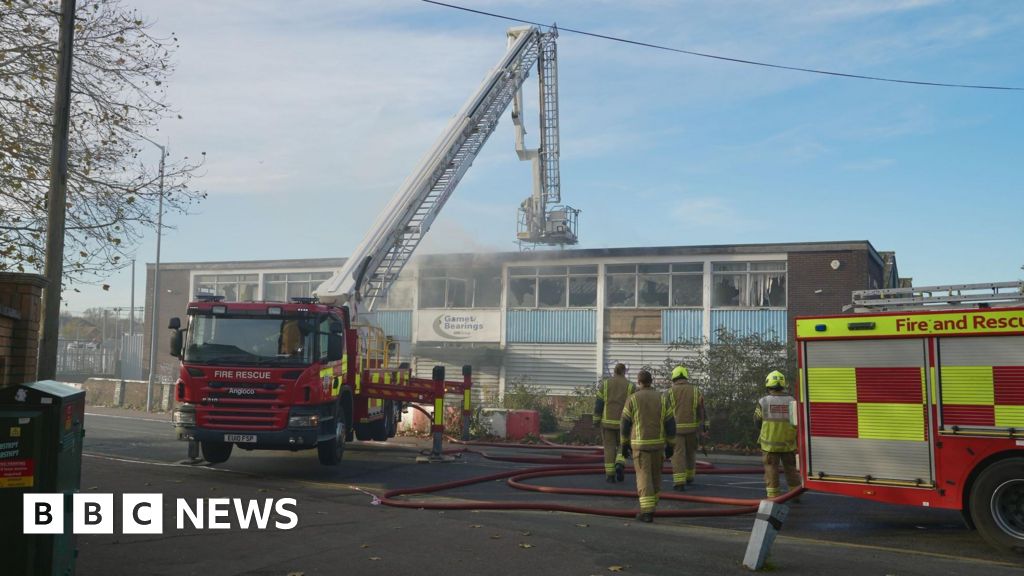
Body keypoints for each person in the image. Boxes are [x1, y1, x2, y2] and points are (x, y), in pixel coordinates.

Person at [620, 369, 676, 523]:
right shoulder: (662, 398)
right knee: (656, 476)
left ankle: (647, 512)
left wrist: (624, 444)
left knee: (644, 477)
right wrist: (671, 444)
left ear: (639, 382)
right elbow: (671, 424)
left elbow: (625, 424)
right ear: (651, 381)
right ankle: (653, 505)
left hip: (640, 445)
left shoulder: (632, 399)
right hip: (658, 445)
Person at [754, 370, 800, 498]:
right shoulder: (792, 400)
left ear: (768, 384)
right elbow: (797, 421)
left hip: (769, 445)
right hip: (788, 444)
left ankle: (773, 497)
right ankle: (795, 495)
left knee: (771, 470)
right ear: (783, 384)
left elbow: (757, 421)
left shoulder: (763, 401)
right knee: (791, 469)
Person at [666, 365, 706, 491]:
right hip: (692, 429)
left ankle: (679, 482)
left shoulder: (669, 392)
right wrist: (704, 427)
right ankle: (689, 477)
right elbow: (701, 410)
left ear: (674, 378)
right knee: (690, 453)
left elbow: (664, 412)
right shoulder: (696, 391)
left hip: (676, 430)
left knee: (678, 455)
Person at [593, 363, 635, 482]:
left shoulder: (605, 384)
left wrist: (596, 420)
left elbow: (599, 404)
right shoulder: (631, 386)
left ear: (615, 371)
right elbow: (634, 406)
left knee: (609, 448)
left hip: (607, 423)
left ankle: (610, 475)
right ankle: (620, 464)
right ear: (624, 372)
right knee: (623, 445)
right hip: (624, 423)